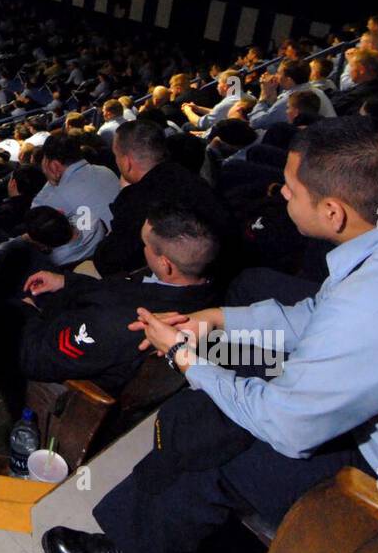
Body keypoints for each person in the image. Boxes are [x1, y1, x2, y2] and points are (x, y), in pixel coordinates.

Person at [43, 117, 378, 553]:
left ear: (333, 211)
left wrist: (187, 358)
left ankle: (127, 548)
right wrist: (217, 320)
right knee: (215, 413)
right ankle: (132, 534)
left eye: (290, 191)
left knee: (218, 450)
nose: (282, 195)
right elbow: (319, 313)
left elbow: (288, 427)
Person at [19, 198, 221, 397]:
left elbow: (36, 359)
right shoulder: (205, 291)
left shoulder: (113, 325)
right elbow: (118, 292)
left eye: (145, 245)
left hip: (63, 350)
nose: (142, 250)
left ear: (165, 264)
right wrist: (67, 281)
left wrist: (29, 312)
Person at [93, 121, 232, 277]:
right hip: (226, 267)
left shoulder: (136, 199)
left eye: (116, 156)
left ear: (127, 162)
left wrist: (126, 194)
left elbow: (108, 261)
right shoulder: (189, 176)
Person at [31, 133, 121, 266]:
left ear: (54, 165)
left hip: (96, 264)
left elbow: (38, 236)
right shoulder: (106, 171)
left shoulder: (47, 199)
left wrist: (51, 185)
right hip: (128, 248)